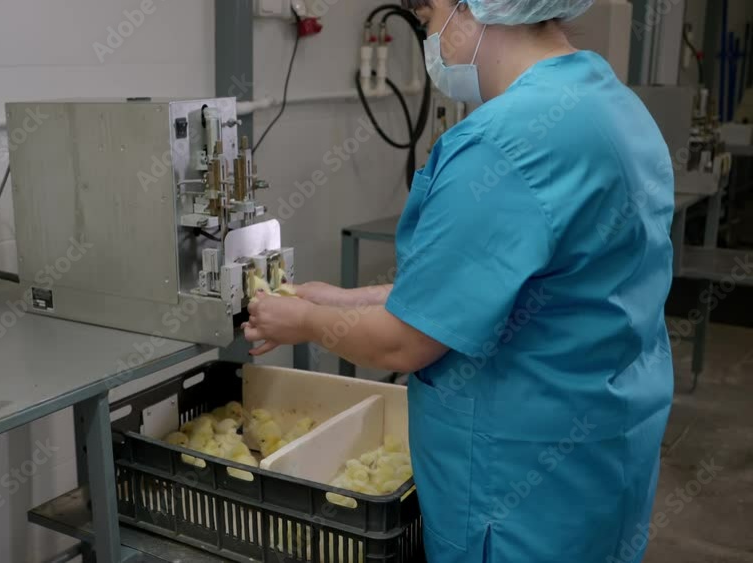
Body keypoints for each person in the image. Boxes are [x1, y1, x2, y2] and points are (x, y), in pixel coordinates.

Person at [242, 0, 676, 561]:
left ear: (478, 8)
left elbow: (407, 341)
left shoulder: (502, 144)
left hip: (519, 485)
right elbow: (475, 293)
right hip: (602, 459)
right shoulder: (613, 105)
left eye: (428, 20)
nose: (431, 39)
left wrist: (303, 321)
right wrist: (341, 300)